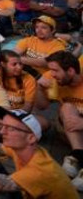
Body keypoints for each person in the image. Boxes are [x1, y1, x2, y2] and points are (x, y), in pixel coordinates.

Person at [0, 107, 76, 199]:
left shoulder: (40, 170)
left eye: (11, 129)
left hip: (30, 184)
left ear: (31, 138)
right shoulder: (23, 147)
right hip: (26, 192)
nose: (2, 132)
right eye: (3, 126)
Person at [37, 50, 83, 187]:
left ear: (70, 71)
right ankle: (78, 155)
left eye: (55, 70)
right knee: (67, 107)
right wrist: (39, 89)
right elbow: (42, 106)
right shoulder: (53, 78)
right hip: (69, 128)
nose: (52, 74)